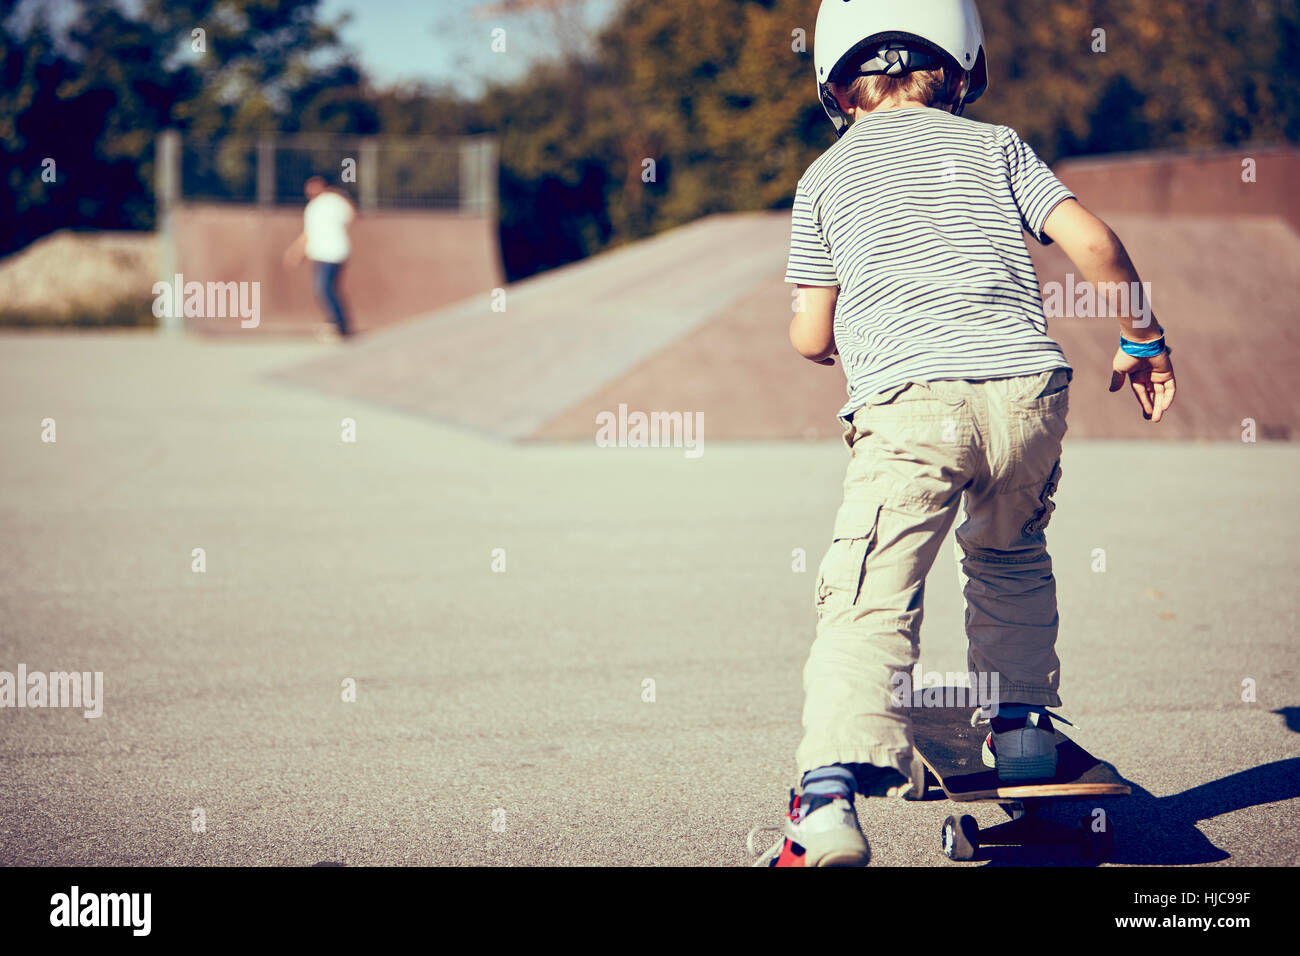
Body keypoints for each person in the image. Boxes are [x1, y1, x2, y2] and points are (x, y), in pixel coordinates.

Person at [757, 0, 1175, 867]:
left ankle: (829, 797)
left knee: (871, 596)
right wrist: (1141, 337)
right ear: (965, 66)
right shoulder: (998, 147)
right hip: (1027, 393)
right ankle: (1022, 733)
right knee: (1011, 555)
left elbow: (807, 334)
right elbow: (1092, 241)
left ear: (835, 83)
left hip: (910, 406)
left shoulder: (825, 178)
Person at [282, 175, 356, 338]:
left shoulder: (334, 201)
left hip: (334, 253)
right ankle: (337, 324)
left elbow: (351, 214)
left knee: (325, 289)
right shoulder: (314, 207)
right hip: (321, 253)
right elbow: (308, 234)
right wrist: (296, 252)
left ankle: (340, 325)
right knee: (325, 289)